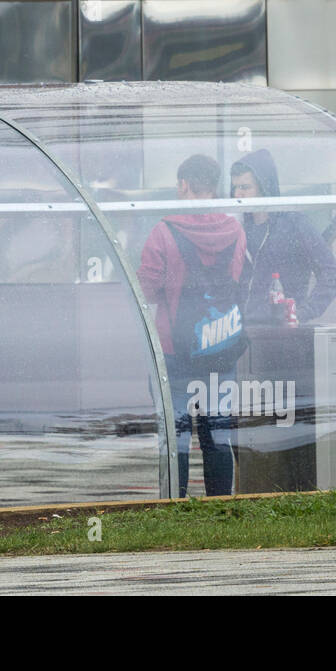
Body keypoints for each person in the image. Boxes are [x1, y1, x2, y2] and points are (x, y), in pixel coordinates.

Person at [137, 154, 246, 497]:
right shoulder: (235, 230)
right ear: (214, 187)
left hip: (175, 350)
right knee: (217, 436)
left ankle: (175, 509)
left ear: (183, 185)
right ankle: (220, 511)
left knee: (176, 438)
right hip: (220, 347)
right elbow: (237, 279)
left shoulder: (163, 231)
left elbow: (147, 289)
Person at [230, 149, 336, 324]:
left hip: (282, 333)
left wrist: (302, 313)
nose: (238, 194)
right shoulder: (238, 226)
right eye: (235, 187)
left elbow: (332, 275)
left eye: (245, 187)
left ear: (264, 187)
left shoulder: (293, 223)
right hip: (242, 332)